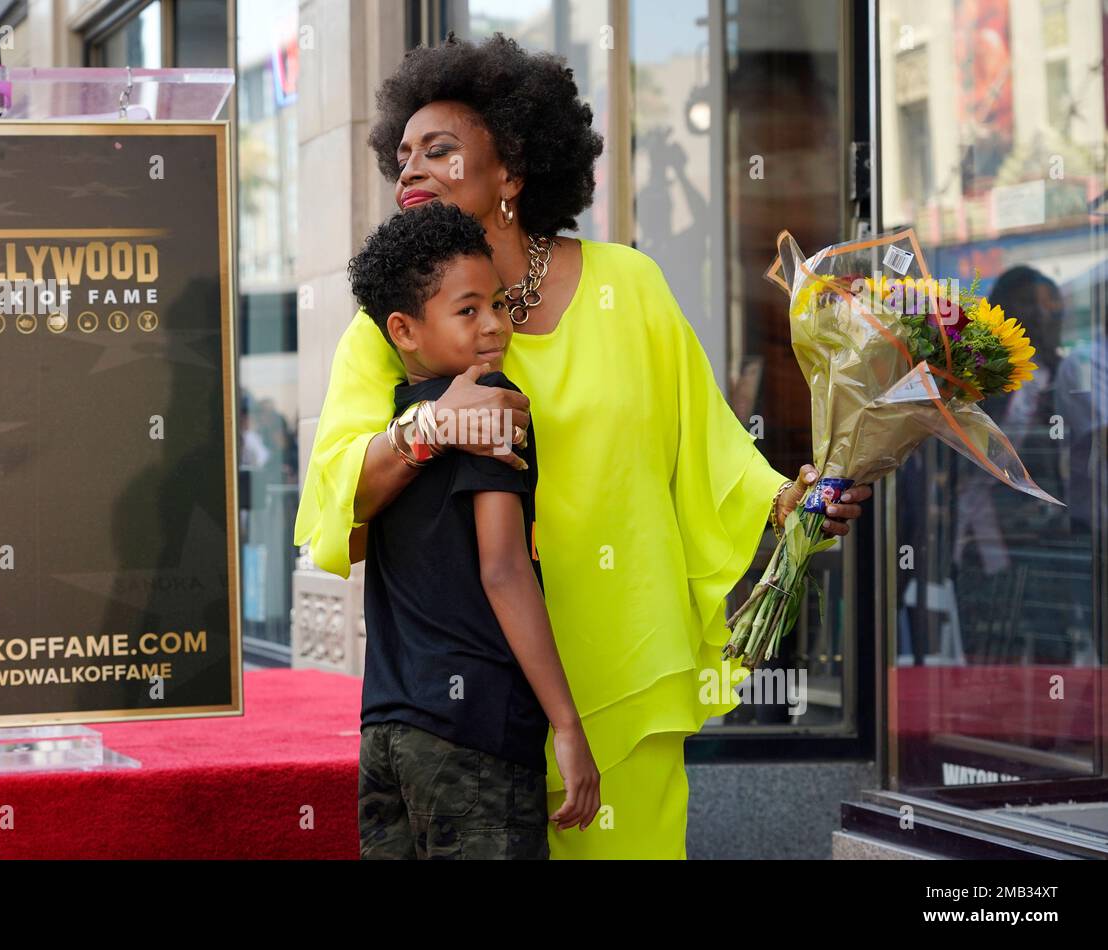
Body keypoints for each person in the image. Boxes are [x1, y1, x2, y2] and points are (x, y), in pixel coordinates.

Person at [295, 33, 871, 859]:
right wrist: (430, 424)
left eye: (441, 150)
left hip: (624, 665)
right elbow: (339, 493)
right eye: (403, 155)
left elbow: (709, 448)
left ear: (514, 172)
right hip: (475, 702)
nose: (410, 171)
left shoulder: (628, 286)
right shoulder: (392, 328)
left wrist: (798, 504)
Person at [349, 200, 599, 859]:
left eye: (498, 303)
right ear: (403, 330)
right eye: (468, 310)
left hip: (385, 733)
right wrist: (567, 724)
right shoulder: (493, 405)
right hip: (475, 733)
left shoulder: (392, 430)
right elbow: (504, 568)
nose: (495, 325)